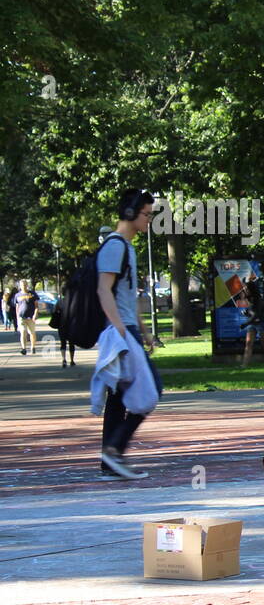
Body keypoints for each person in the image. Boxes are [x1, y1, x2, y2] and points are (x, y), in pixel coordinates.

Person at [96, 189, 163, 480]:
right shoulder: (115, 246)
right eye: (146, 214)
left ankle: (109, 458)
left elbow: (125, 296)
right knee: (151, 390)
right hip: (120, 332)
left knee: (119, 396)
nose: (149, 220)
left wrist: (145, 332)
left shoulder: (128, 247)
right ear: (130, 213)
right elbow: (103, 290)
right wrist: (122, 330)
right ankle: (113, 450)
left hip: (129, 329)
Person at [238, 270, 264, 368]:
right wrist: (247, 312)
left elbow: (256, 315)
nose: (245, 290)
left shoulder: (258, 299)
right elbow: (252, 312)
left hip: (260, 323)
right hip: (252, 323)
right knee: (248, 343)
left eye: (246, 288)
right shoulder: (249, 298)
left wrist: (246, 323)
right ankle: (244, 364)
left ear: (251, 289)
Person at [14, 281, 38, 355]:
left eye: (25, 284)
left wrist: (35, 314)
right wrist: (17, 316)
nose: (23, 286)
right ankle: (24, 348)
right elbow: (17, 306)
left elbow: (36, 306)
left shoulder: (32, 294)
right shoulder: (17, 295)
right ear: (20, 286)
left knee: (32, 333)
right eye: (22, 285)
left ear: (27, 285)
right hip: (21, 317)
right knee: (23, 332)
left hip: (30, 317)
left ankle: (33, 347)